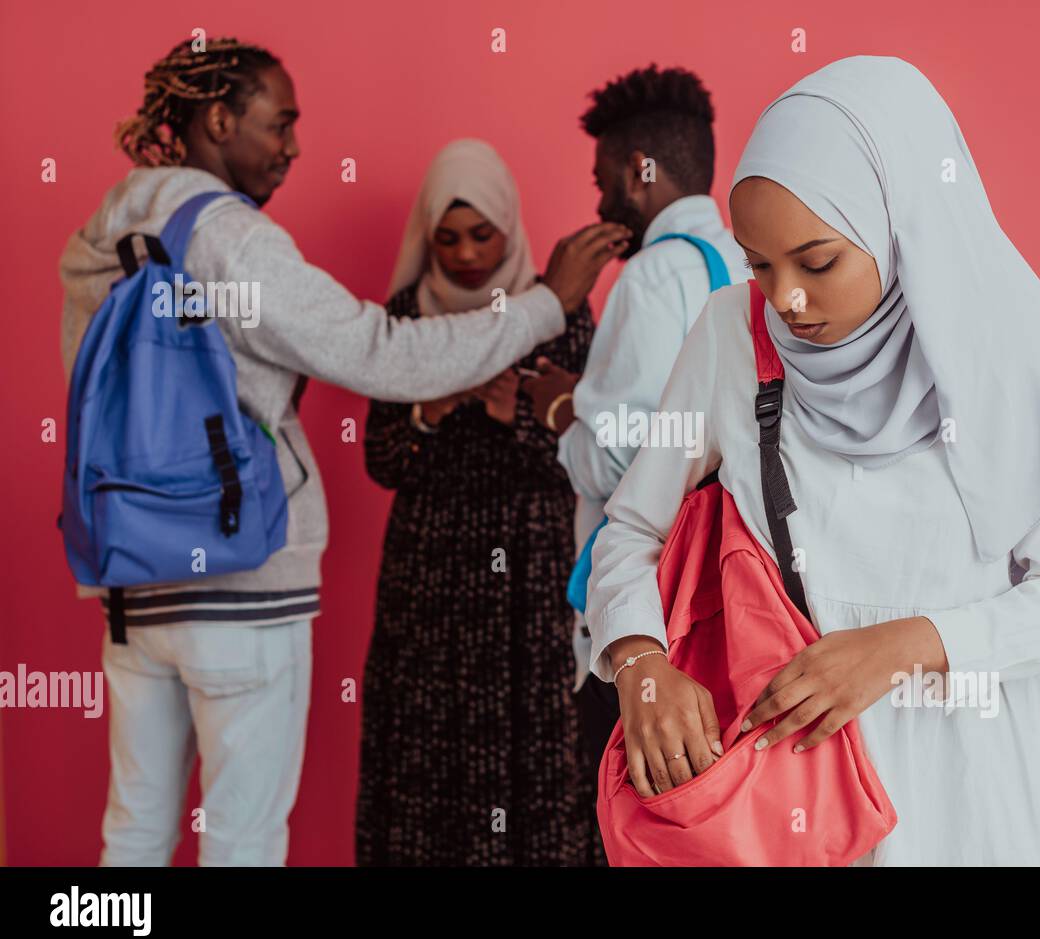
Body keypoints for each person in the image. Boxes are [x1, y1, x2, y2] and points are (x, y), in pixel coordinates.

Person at [58, 38, 626, 866]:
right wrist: (544, 308)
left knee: (134, 830)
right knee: (243, 838)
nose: (291, 147)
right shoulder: (229, 239)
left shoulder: (99, 232)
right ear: (219, 120)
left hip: (130, 582)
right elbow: (380, 354)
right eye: (278, 123)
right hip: (243, 583)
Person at [583, 55, 1040, 866]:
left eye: (818, 261)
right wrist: (638, 662)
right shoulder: (732, 336)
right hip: (796, 808)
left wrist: (904, 645)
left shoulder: (1015, 344)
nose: (788, 300)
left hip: (975, 801)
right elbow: (630, 532)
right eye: (761, 264)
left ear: (896, 221)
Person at [356, 139, 603, 865]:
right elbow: (382, 459)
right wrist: (431, 410)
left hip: (530, 575)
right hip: (427, 577)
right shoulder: (403, 318)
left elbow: (594, 454)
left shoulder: (558, 311)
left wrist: (516, 416)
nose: (465, 253)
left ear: (509, 226)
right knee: (428, 747)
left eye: (481, 233)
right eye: (447, 236)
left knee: (538, 742)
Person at [520, 64, 749, 794]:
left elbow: (625, 463)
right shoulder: (753, 261)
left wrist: (559, 409)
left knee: (634, 821)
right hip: (731, 602)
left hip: (645, 617)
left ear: (637, 172)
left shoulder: (652, 277)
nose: (600, 199)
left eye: (603, 180)